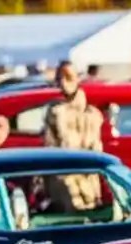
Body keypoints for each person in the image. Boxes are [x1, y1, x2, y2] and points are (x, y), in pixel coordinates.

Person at [43, 61, 104, 211]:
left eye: (68, 77)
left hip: (87, 179)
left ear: (77, 78)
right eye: (59, 78)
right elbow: (50, 148)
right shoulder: (55, 112)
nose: (63, 83)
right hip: (64, 179)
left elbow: (96, 149)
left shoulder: (92, 115)